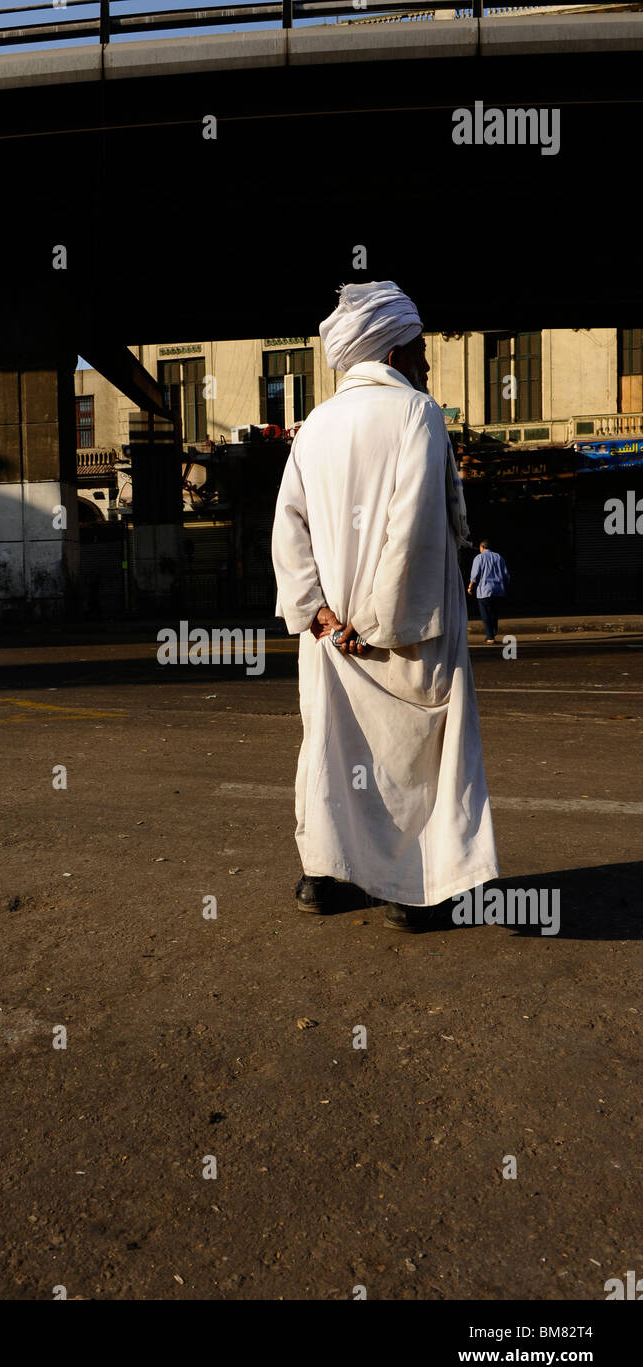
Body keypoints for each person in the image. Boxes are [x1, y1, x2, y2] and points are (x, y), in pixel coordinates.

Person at [271, 281, 498, 931]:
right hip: (402, 634)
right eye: (422, 351)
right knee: (425, 759)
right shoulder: (415, 414)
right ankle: (418, 889)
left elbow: (289, 526)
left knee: (336, 755)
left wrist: (318, 616)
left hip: (331, 640)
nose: (427, 364)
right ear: (396, 353)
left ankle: (327, 877)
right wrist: (381, 628)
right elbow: (414, 533)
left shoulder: (315, 425)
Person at [467, 540, 509, 644]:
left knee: (485, 613)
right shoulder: (499, 557)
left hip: (484, 590)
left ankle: (490, 637)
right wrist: (504, 585)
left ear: (482, 547)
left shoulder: (479, 558)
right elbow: (506, 574)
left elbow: (475, 574)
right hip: (498, 590)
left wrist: (470, 586)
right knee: (494, 612)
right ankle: (492, 634)